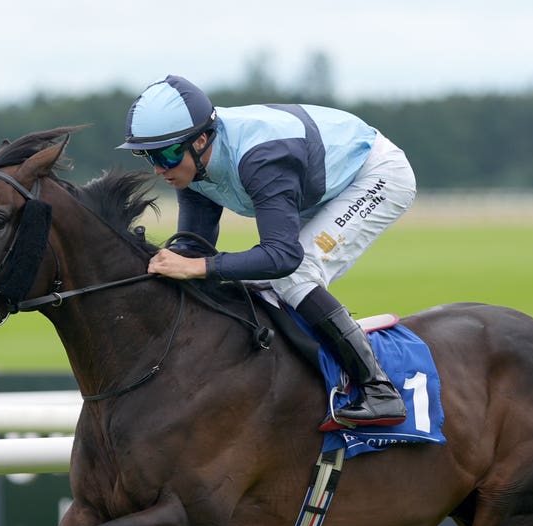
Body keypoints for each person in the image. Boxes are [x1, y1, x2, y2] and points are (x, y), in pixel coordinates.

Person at [119, 75, 417, 431]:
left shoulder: (262, 157)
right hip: (317, 184)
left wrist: (198, 265)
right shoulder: (192, 165)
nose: (158, 168)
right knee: (251, 278)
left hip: (374, 176)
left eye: (166, 154)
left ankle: (378, 390)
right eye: (148, 155)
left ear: (200, 140)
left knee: (296, 272)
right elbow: (193, 246)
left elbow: (282, 257)